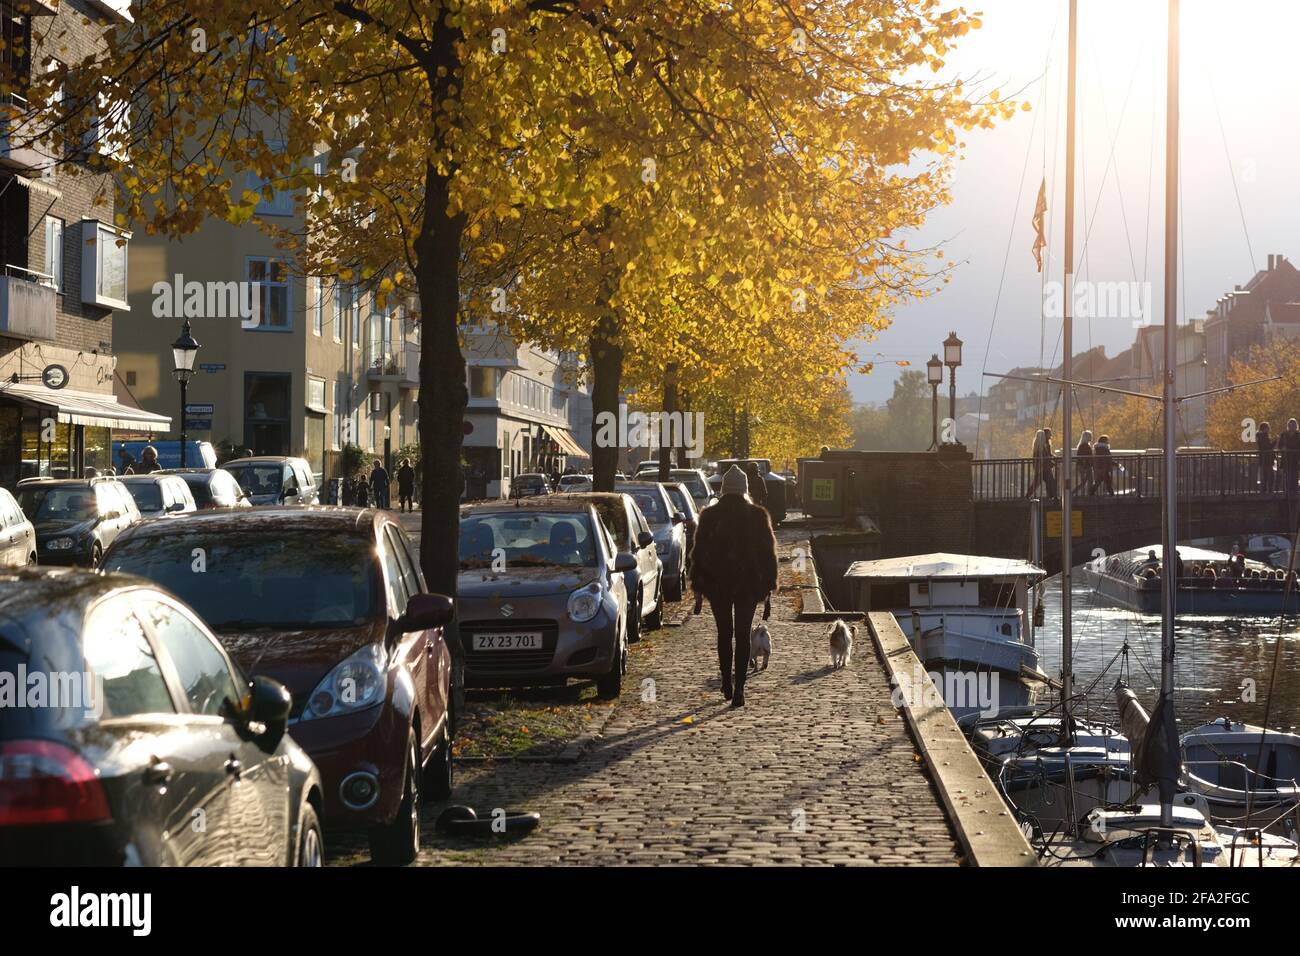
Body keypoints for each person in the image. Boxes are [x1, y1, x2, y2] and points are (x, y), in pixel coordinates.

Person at [688, 465, 778, 709]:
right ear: (745, 490)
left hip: (718, 585)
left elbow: (698, 554)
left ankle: (726, 682)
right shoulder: (758, 516)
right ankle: (740, 689)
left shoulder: (708, 516)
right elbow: (768, 554)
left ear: (724, 489)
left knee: (724, 634)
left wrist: (698, 584)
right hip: (748, 584)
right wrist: (770, 583)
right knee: (742, 634)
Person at [1280, 419, 1300, 497]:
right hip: (1286, 458)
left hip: (1295, 458)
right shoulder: (1284, 435)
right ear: (1288, 426)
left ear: (1296, 426)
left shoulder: (1298, 435)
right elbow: (1280, 445)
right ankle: (1287, 491)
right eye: (1290, 425)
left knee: (1294, 475)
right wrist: (1283, 448)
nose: (1292, 427)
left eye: (1294, 425)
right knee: (1287, 475)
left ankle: (1294, 491)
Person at [1256, 421, 1276, 492]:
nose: (1269, 428)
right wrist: (1275, 441)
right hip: (1267, 459)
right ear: (1264, 428)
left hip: (1264, 459)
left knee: (1264, 476)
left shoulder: (1260, 436)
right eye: (1268, 427)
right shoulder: (1264, 436)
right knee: (1269, 476)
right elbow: (1268, 447)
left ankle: (1264, 491)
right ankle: (1268, 491)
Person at [1076, 429, 1094, 496]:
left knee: (1085, 481)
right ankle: (1088, 494)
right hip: (1085, 466)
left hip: (1083, 465)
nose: (1091, 437)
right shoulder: (1085, 446)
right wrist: (1086, 465)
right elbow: (1084, 457)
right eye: (1090, 436)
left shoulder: (1082, 445)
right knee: (1088, 481)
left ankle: (1084, 494)